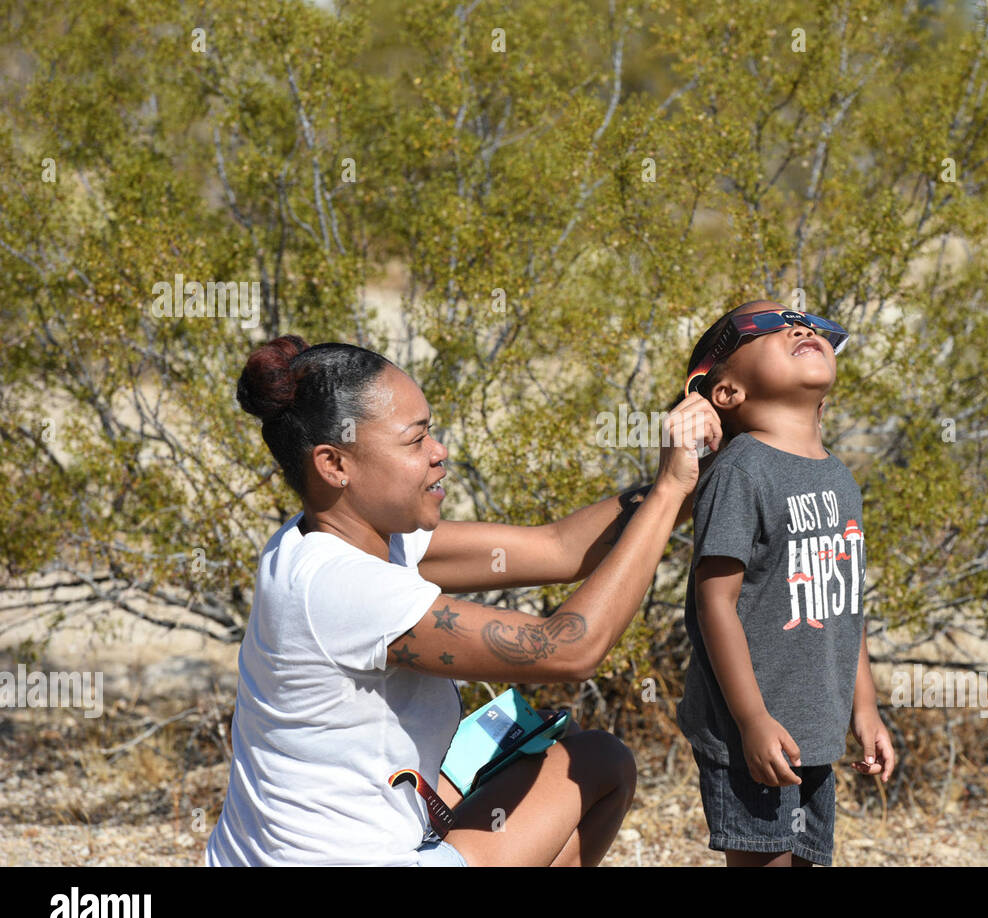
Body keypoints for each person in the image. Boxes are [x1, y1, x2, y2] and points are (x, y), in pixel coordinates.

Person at [205, 334, 721, 866]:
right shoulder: (343, 587)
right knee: (598, 763)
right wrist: (667, 492)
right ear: (335, 464)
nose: (439, 451)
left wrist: (700, 473)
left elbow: (561, 548)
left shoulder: (324, 539)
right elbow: (568, 650)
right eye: (415, 440)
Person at [674, 300, 897, 867]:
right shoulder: (741, 470)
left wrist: (864, 709)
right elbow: (713, 605)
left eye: (811, 325)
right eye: (765, 327)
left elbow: (844, 603)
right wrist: (751, 720)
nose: (800, 328)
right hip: (749, 729)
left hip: (815, 725)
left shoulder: (840, 476)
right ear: (726, 393)